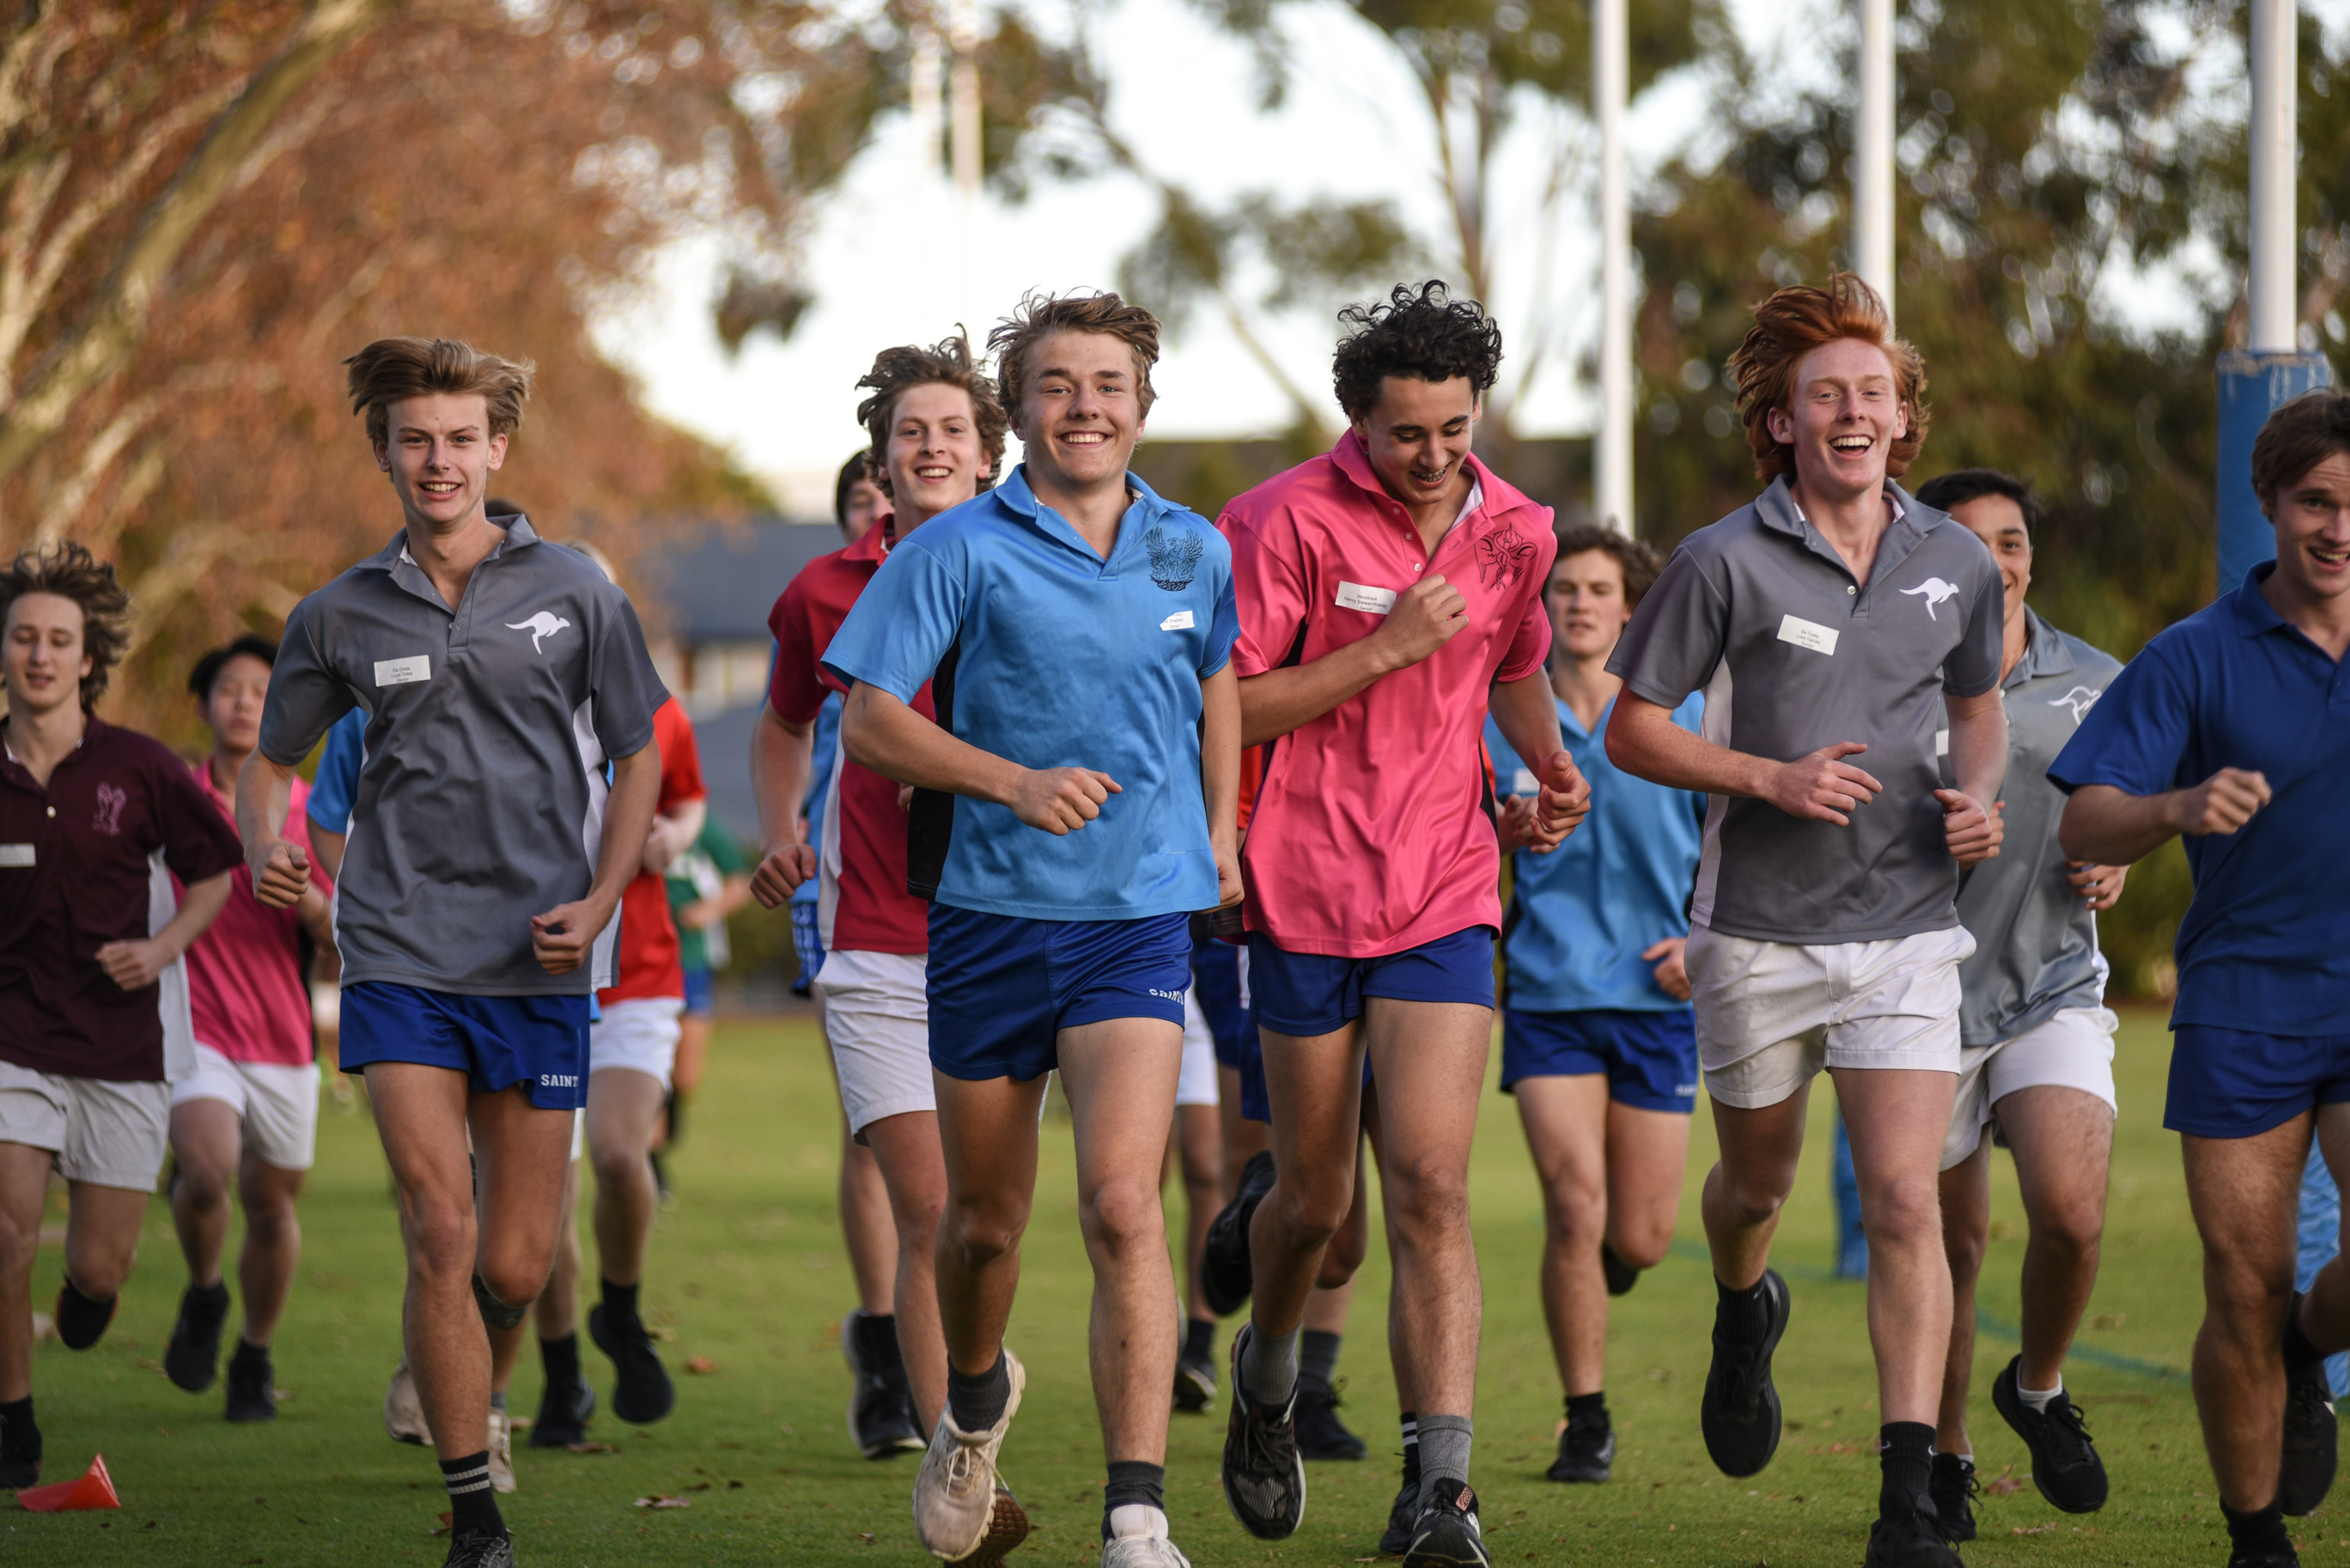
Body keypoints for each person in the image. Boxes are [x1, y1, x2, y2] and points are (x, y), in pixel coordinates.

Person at [825, 290, 1239, 1568]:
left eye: (1108, 384)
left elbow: (1219, 677)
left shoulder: (1194, 547)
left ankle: (1136, 1515)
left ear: (1144, 401)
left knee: (1124, 1203)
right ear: (1024, 410)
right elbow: (872, 721)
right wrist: (1008, 781)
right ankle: (977, 1398)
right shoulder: (955, 548)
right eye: (1058, 385)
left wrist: (1220, 836)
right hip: (991, 925)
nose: (1086, 407)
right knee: (982, 1226)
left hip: (1135, 924)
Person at [240, 337, 665, 1568]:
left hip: (538, 961)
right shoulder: (340, 610)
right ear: (386, 450)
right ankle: (475, 1507)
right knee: (441, 1225)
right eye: (415, 438)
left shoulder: (577, 587)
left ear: (498, 449)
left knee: (519, 1262)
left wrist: (598, 899)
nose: (439, 459)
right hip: (399, 955)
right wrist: (279, 851)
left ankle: (453, 1357)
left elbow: (637, 750)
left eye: (460, 438)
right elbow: (275, 760)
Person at [1604, 273, 2005, 1568]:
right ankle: (1741, 1302)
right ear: (1782, 421)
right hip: (1760, 930)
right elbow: (1634, 728)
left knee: (1904, 1198)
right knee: (1756, 1186)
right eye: (1824, 393)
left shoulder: (1952, 558)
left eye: (1873, 392)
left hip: (1904, 924)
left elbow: (1980, 700)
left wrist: (1978, 800)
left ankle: (1905, 1500)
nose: (1852, 410)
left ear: (1902, 417)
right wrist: (1767, 778)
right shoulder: (1722, 558)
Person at [1216, 280, 1588, 1568]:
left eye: (1455, 429)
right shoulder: (1276, 522)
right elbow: (1232, 711)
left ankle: (1442, 1492)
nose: (1434, 458)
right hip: (1303, 888)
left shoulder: (1520, 528)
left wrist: (1547, 766)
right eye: (1407, 434)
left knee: (1431, 1178)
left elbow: (1516, 656)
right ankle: (1266, 1388)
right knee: (1317, 1204)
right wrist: (1382, 649)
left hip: (1443, 883)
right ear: (1356, 424)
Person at [2052, 389, 2350, 1568]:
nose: (2338, 526)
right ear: (2271, 503)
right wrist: (2177, 804)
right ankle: (2256, 1538)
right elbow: (2087, 816)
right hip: (2244, 1001)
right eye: (2317, 501)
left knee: (2285, 1305)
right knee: (2242, 1280)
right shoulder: (2195, 655)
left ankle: (2305, 1349)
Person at [752, 341, 1008, 1463]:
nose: (932, 446)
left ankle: (972, 1372)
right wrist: (780, 831)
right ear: (884, 459)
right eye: (912, 431)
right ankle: (959, 1450)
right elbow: (779, 724)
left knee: (989, 1226)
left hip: (1014, 931)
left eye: (953, 429)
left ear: (990, 455)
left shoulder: (1042, 572)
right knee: (931, 1207)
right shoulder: (821, 591)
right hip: (875, 943)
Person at [1909, 469, 2127, 1539]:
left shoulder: (2096, 677)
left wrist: (2116, 860)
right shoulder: (1893, 677)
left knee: (2073, 1216)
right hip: (1918, 1002)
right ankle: (1945, 1451)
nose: (1997, 560)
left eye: (2014, 540)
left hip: (2052, 983)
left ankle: (2035, 1387)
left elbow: (2123, 810)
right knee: (1951, 1247)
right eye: (1971, 540)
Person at [0, 542, 240, 1492]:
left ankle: (84, 1299)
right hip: (11, 1035)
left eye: (61, 640)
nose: (42, 655)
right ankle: (14, 1417)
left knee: (100, 1268)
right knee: (6, 1232)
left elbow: (215, 869)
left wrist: (164, 946)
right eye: (24, 637)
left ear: (89, 658)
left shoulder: (138, 766)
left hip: (120, 1049)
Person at [1483, 524, 1706, 1486]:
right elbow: (1458, 841)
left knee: (1641, 1235)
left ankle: (1617, 1257)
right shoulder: (1498, 722)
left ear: (1631, 608)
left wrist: (1711, 937)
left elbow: (1741, 835)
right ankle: (1586, 1418)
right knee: (1573, 1205)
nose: (1576, 602)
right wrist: (1499, 835)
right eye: (1561, 588)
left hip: (1661, 1000)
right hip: (1550, 991)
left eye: (1597, 588)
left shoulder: (1685, 711)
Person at [162, 635, 338, 1423]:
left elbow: (344, 937)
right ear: (203, 704)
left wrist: (297, 887)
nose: (242, 702)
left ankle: (255, 1354)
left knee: (271, 1209)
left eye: (260, 691)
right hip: (193, 1027)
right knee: (205, 1170)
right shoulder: (170, 799)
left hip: (285, 1037)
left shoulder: (314, 809)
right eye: (228, 688)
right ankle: (205, 1294)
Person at [586, 690, 705, 1425]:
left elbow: (689, 798)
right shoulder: (495, 689)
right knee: (529, 1206)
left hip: (640, 976)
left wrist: (675, 838)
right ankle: (561, 1370)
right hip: (524, 976)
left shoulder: (656, 709)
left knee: (618, 1157)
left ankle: (620, 1311)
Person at [661, 813, 752, 1158]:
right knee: (640, 1065)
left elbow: (739, 882)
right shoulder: (622, 809)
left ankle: (666, 1128)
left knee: (684, 1076)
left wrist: (706, 910)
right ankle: (649, 1158)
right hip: (637, 961)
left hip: (690, 959)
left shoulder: (700, 823)